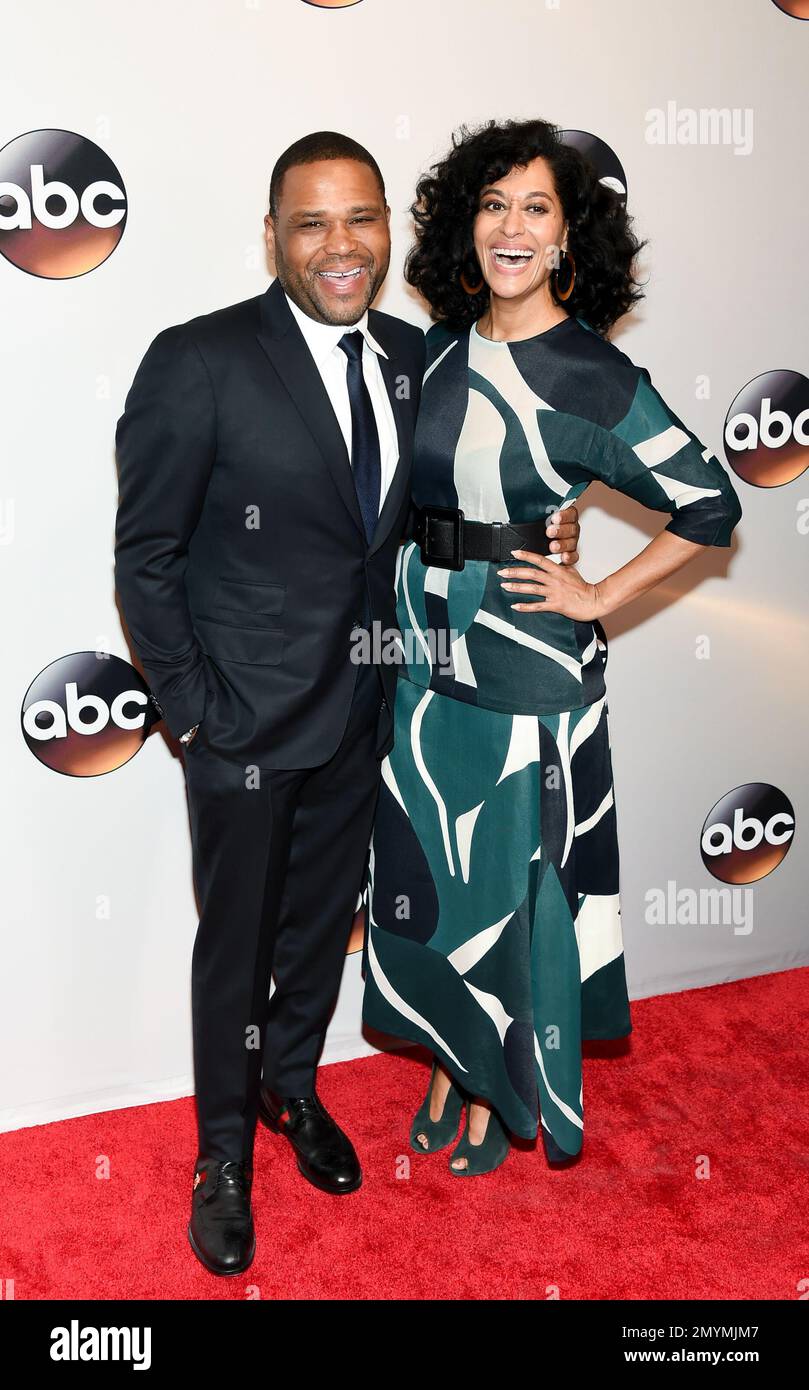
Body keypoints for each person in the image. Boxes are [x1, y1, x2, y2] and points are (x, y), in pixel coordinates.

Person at [114, 129, 583, 1272]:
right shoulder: (200, 359)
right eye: (311, 222)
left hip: (369, 716)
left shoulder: (418, 356)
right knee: (235, 949)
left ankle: (289, 1090)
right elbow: (147, 556)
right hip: (244, 730)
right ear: (272, 236)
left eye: (359, 219)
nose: (340, 245)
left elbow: (446, 502)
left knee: (320, 934)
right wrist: (195, 714)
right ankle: (221, 1156)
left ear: (386, 231)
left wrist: (541, 530)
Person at [361, 117, 743, 1176]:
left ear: (570, 235)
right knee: (432, 869)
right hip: (423, 658)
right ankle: (451, 1053)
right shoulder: (434, 347)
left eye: (536, 207)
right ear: (464, 226)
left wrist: (595, 590)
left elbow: (708, 504)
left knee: (503, 879)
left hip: (525, 661)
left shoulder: (587, 372)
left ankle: (505, 1085)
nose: (510, 227)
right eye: (492, 205)